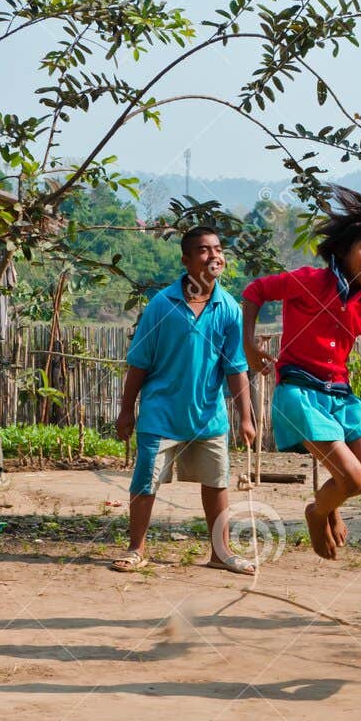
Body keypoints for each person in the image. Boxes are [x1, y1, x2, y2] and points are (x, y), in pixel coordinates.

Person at [241, 188, 361, 560]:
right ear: (342, 250)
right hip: (298, 391)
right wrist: (248, 344)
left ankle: (330, 502)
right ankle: (318, 511)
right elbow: (255, 290)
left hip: (341, 396)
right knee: (352, 476)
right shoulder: (308, 281)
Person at [111, 226, 257, 574]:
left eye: (218, 249)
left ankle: (220, 553)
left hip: (208, 416)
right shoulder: (162, 305)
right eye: (204, 250)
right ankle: (136, 549)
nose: (214, 256)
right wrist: (126, 410)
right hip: (160, 414)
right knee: (145, 483)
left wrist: (247, 418)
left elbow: (236, 367)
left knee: (217, 483)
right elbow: (139, 362)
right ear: (186, 260)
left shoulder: (229, 308)